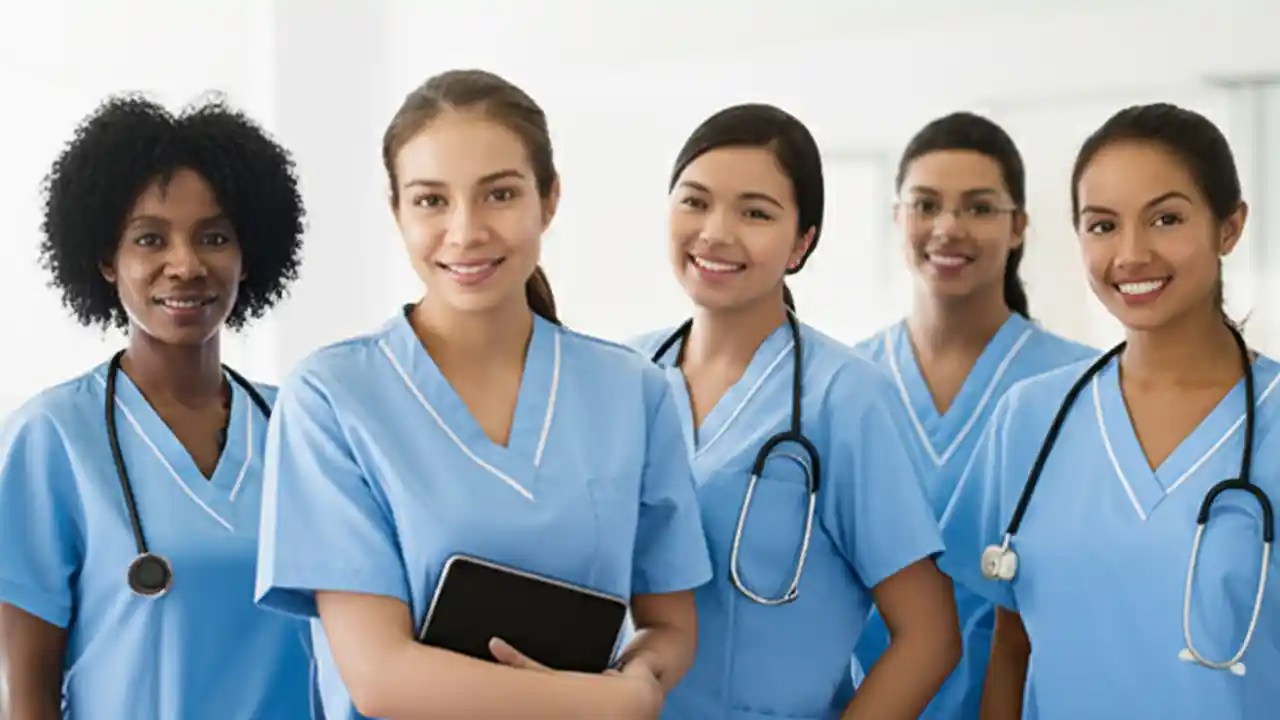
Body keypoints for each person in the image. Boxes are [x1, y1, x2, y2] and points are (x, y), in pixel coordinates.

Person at [253, 69, 712, 720]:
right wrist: (599, 705)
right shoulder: (332, 399)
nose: (465, 232)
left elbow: (670, 626)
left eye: (498, 194)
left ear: (549, 199)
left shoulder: (633, 392)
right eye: (431, 201)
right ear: (396, 212)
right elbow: (381, 677)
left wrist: (640, 680)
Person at [940, 103, 1280, 719]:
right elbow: (1011, 646)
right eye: (1102, 226)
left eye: (1166, 219)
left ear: (1229, 227)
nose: (1131, 254)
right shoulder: (1031, 418)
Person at [631, 103, 961, 719]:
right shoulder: (623, 376)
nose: (715, 233)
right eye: (694, 201)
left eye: (755, 212)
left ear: (801, 243)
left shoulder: (846, 397)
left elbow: (930, 636)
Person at [0, 95, 315, 719]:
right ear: (106, 260)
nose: (187, 265)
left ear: (247, 255)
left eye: (214, 237)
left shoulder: (303, 430)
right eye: (150, 239)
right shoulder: (54, 437)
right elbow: (26, 691)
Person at [851, 112, 1095, 718]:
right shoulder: (846, 383)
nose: (948, 227)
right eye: (926, 204)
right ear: (896, 219)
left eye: (980, 208)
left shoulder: (1080, 386)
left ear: (1019, 228)